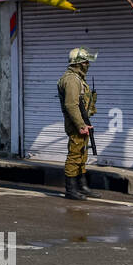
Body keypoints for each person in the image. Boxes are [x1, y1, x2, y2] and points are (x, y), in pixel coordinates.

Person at [58, 47, 98, 200]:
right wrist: (81, 125)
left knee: (82, 154)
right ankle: (71, 189)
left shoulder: (78, 79)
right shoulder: (71, 80)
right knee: (75, 155)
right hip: (76, 123)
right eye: (86, 62)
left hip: (82, 121)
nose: (88, 65)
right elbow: (71, 105)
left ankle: (82, 186)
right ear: (79, 63)